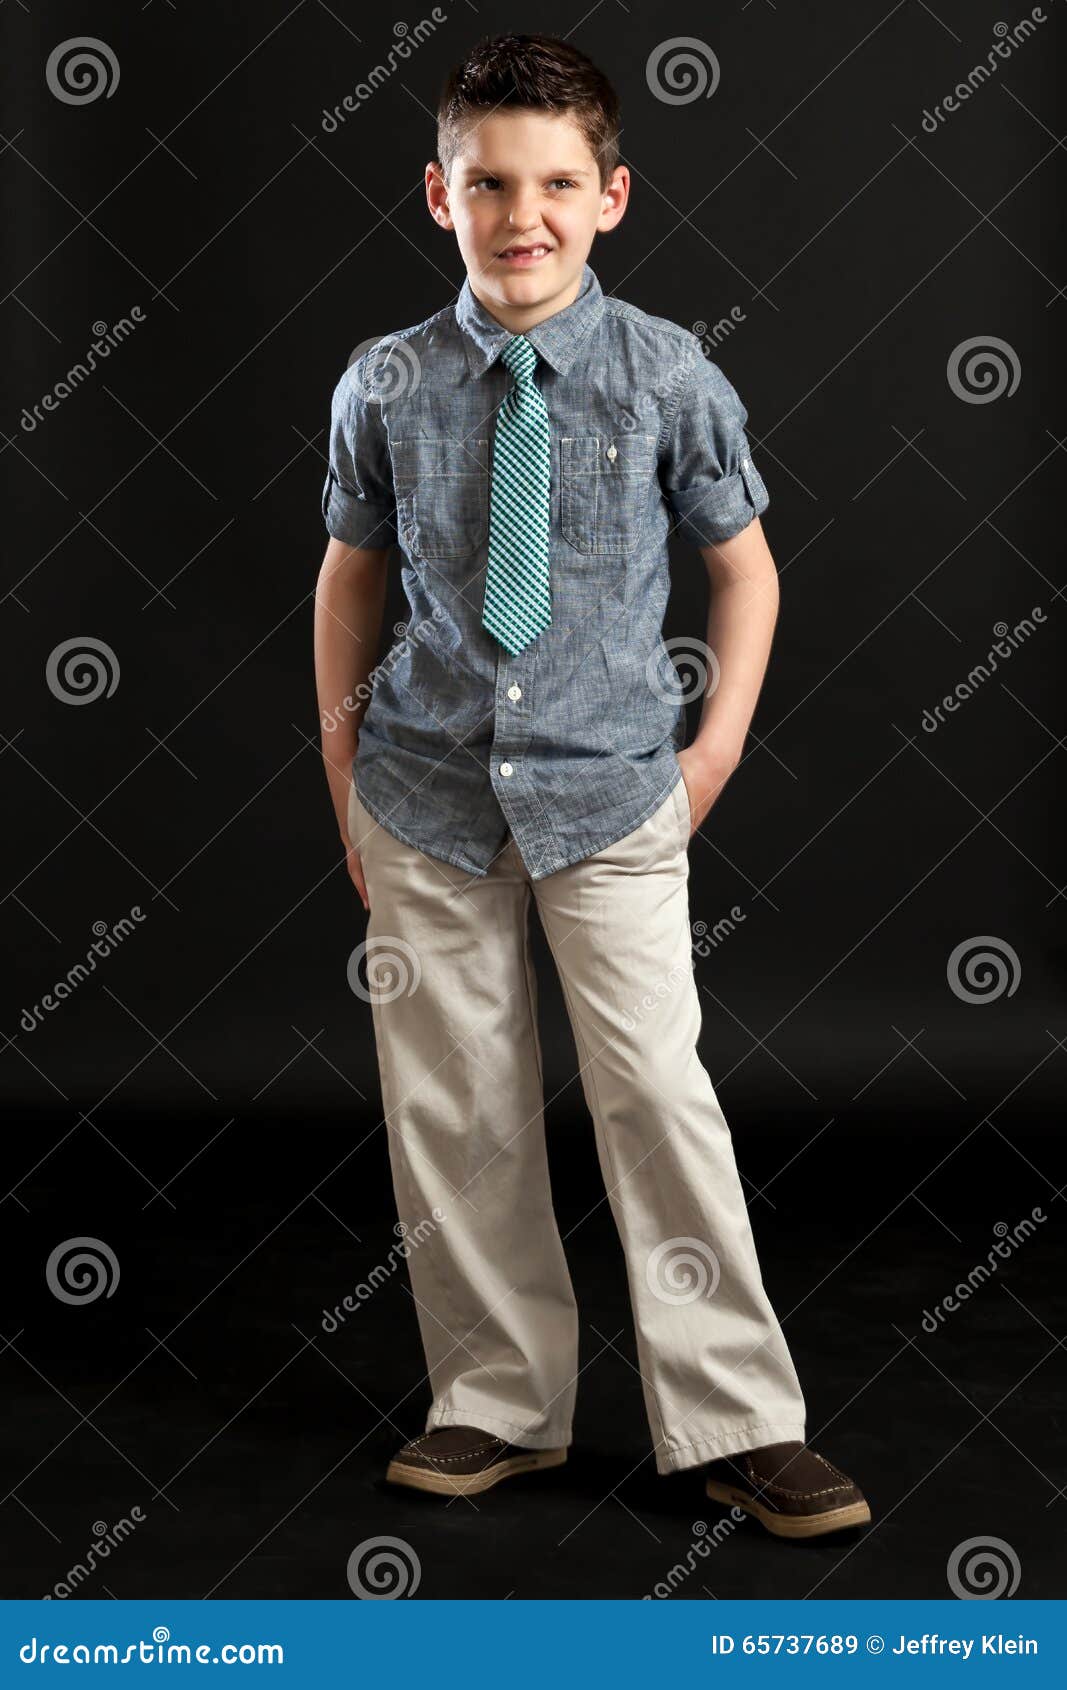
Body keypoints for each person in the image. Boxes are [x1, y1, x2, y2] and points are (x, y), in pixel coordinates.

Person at [314, 32, 869, 1541]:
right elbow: (350, 578)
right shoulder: (386, 384)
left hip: (615, 799)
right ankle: (495, 1402)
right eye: (489, 183)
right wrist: (342, 756)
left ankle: (738, 1420)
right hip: (426, 795)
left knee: (657, 1097)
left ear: (610, 196)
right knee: (455, 1108)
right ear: (440, 194)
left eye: (557, 183)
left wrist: (716, 750)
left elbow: (743, 570)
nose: (523, 216)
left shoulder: (668, 372)